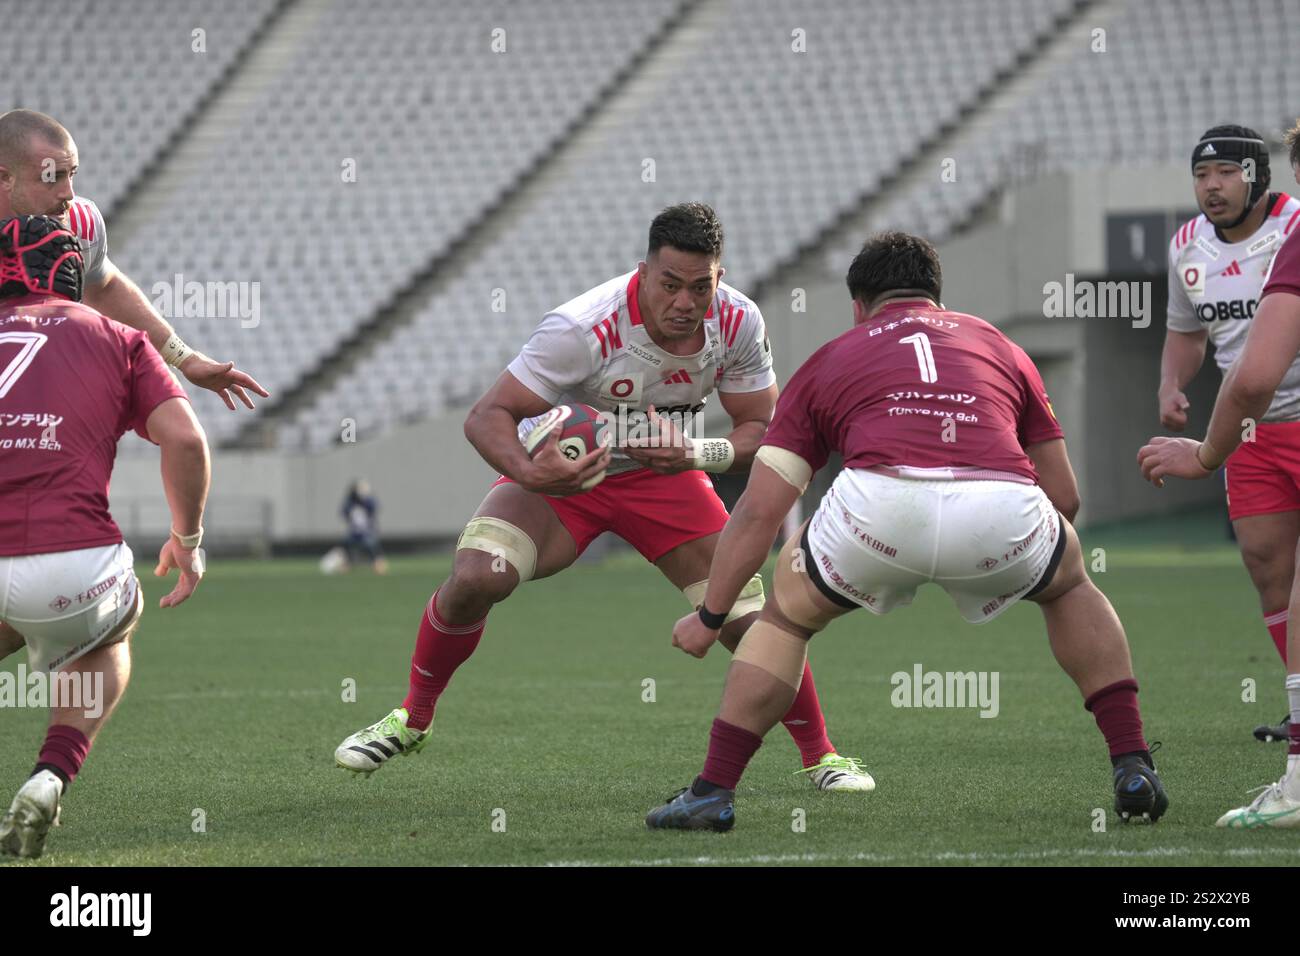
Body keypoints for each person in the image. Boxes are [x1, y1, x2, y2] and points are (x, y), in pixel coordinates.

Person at [335, 203, 874, 792]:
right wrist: (531, 473)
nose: (685, 303)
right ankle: (412, 718)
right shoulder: (582, 327)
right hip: (569, 481)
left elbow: (764, 430)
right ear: (643, 273)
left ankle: (821, 756)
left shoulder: (740, 322)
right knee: (478, 575)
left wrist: (697, 454)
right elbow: (487, 415)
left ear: (719, 278)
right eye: (670, 285)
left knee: (746, 620)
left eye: (701, 286)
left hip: (666, 478)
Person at [647, 231, 1168, 832]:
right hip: (1000, 502)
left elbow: (759, 512)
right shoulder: (1000, 345)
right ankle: (1132, 764)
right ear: (936, 299)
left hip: (879, 512)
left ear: (858, 306)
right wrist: (1017, 562)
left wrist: (711, 618)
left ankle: (713, 791)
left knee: (786, 617)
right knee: (1072, 585)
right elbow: (1066, 496)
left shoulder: (833, 355)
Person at [0, 215, 211, 858]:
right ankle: (50, 774)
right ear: (72, 275)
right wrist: (188, 538)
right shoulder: (119, 337)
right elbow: (185, 439)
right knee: (110, 631)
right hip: (78, 568)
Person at [1139, 119, 1300, 828]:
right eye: (1202, 175)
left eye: (1226, 173)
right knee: (1272, 573)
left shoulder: (1294, 228)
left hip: (1254, 418)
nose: (1211, 186)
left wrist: (1205, 454)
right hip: (1250, 432)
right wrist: (1173, 383)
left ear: (1260, 177)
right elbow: (1186, 332)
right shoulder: (1185, 248)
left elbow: (1259, 369)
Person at [0, 109, 267, 410]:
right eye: (51, 178)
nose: (68, 194)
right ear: (5, 178)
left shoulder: (80, 224)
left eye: (72, 174)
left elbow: (105, 288)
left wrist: (184, 357)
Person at [340, 479, 388, 574]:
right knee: (346, 547)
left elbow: (374, 507)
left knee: (372, 547)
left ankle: (378, 565)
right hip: (355, 533)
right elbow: (345, 512)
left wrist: (365, 496)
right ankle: (346, 565)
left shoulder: (367, 502)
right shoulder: (350, 502)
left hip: (367, 532)